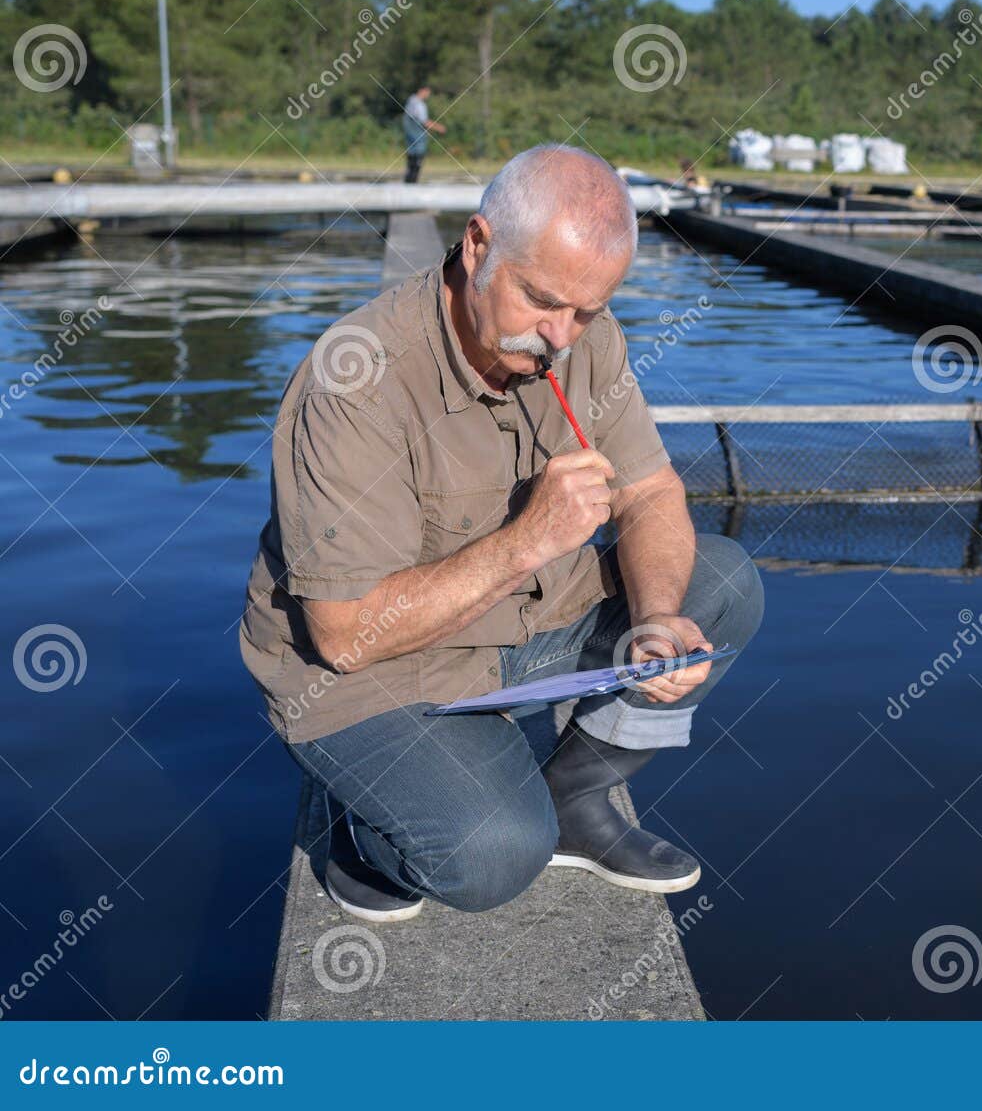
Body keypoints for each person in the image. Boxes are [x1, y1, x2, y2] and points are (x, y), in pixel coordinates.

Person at [238, 144, 765, 921]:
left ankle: (576, 796)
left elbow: (651, 491)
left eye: (585, 311)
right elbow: (345, 634)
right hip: (362, 673)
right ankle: (364, 817)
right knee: (493, 855)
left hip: (515, 624)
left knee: (720, 584)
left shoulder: (585, 336)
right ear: (478, 245)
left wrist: (654, 621)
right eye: (540, 300)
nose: (559, 336)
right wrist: (528, 539)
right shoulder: (356, 381)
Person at [401, 85, 446, 183]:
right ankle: (411, 184)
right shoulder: (419, 104)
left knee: (411, 162)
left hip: (411, 138)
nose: (428, 95)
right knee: (416, 163)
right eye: (428, 93)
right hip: (417, 139)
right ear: (422, 90)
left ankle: (408, 182)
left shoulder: (411, 100)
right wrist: (439, 128)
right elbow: (424, 121)